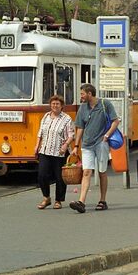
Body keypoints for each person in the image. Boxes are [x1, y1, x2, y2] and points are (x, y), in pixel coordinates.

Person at [70, 83, 119, 213]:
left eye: (82, 94)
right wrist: (76, 145)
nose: (81, 96)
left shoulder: (105, 104)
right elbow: (80, 127)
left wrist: (107, 135)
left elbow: (115, 120)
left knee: (102, 172)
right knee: (86, 172)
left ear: (89, 94)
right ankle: (81, 202)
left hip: (101, 143)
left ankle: (102, 200)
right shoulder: (83, 108)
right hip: (87, 144)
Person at [35, 94, 75, 210]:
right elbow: (40, 132)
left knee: (60, 177)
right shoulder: (46, 116)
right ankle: (46, 197)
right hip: (45, 150)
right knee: (42, 175)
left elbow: (71, 135)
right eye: (53, 104)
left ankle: (58, 200)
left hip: (60, 152)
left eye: (57, 104)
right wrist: (37, 146)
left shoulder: (66, 119)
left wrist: (65, 145)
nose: (55, 106)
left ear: (62, 106)